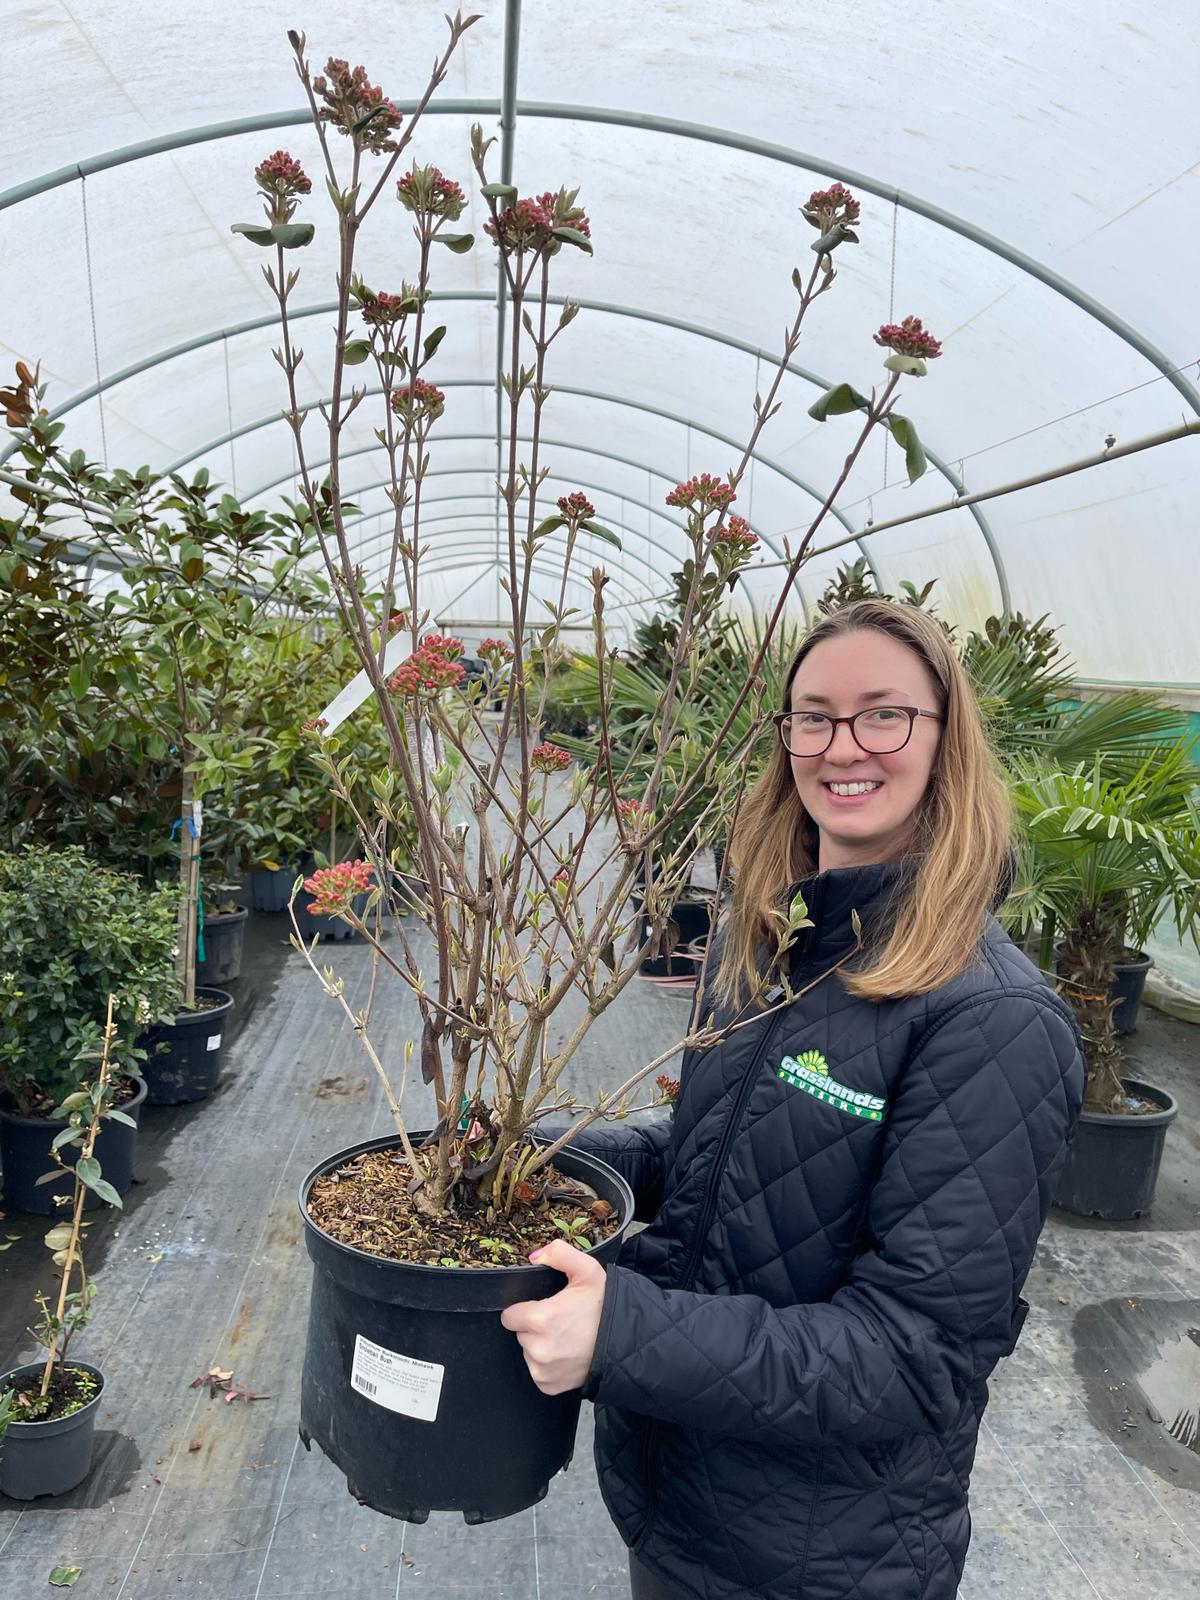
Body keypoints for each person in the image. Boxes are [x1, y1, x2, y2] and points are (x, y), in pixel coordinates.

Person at [502, 598, 1085, 1600]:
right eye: (812, 715)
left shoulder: (993, 1019)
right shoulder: (763, 937)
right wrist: (538, 1157)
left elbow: (914, 1355)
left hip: (823, 1559)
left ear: (945, 738)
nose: (841, 745)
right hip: (677, 1504)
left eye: (883, 714)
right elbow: (714, 1147)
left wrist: (625, 1333)